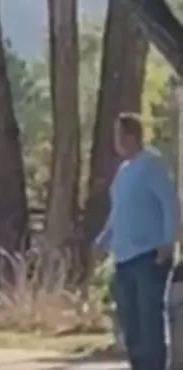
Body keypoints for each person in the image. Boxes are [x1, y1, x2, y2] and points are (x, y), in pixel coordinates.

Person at [96, 112, 178, 370]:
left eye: (120, 135)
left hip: (149, 255)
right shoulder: (123, 172)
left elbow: (171, 205)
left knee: (149, 319)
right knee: (129, 321)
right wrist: (103, 239)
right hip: (124, 257)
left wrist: (168, 242)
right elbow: (118, 212)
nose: (116, 141)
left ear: (132, 136)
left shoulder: (151, 164)